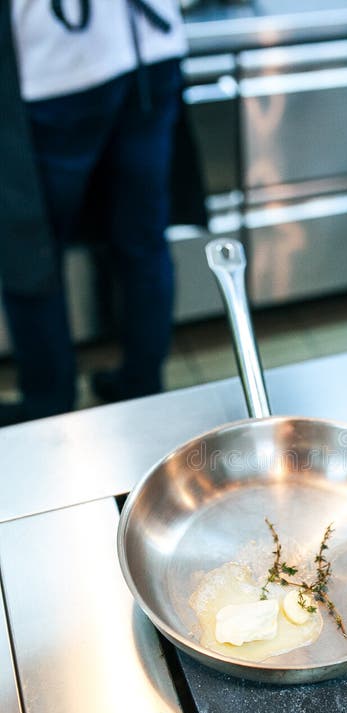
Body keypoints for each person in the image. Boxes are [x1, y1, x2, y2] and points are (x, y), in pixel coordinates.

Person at [0, 0, 187, 426]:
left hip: (56, 65)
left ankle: (49, 405)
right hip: (150, 48)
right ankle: (142, 387)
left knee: (30, 246)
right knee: (142, 242)